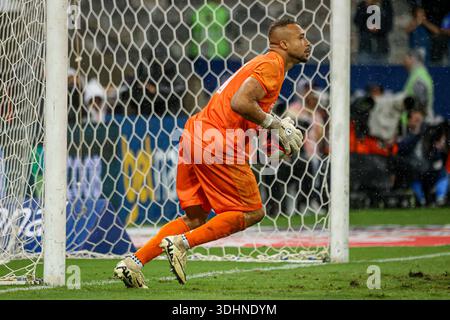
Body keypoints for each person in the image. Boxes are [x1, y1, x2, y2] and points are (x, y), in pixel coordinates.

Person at [113, 18, 310, 288]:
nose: (307, 43)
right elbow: (240, 102)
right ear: (284, 43)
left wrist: (273, 136)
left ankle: (133, 263)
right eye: (301, 37)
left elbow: (244, 111)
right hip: (218, 141)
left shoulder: (263, 64)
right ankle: (182, 244)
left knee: (194, 218)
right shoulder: (272, 65)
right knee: (252, 212)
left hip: (195, 133)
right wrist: (275, 124)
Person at [353, 0, 394, 64]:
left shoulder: (386, 4)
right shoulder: (363, 5)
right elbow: (357, 21)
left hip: (381, 48)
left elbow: (389, 24)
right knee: (364, 70)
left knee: (382, 71)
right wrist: (366, 6)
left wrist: (379, 28)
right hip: (365, 47)